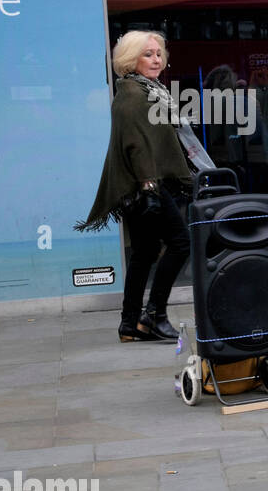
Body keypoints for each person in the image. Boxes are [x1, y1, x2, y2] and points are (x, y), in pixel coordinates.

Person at [78, 31, 192, 342]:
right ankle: (154, 315)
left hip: (140, 186)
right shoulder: (133, 94)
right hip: (144, 187)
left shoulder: (148, 90)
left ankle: (129, 324)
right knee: (181, 242)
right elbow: (136, 145)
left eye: (158, 53)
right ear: (130, 60)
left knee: (144, 251)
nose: (156, 59)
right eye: (147, 54)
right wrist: (150, 186)